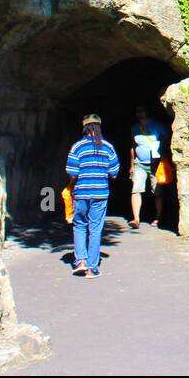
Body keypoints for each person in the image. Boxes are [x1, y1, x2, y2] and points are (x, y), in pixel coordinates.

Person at [64, 113, 119, 277]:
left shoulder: (77, 147)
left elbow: (72, 173)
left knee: (80, 225)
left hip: (81, 192)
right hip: (101, 193)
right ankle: (91, 268)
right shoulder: (108, 147)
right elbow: (114, 173)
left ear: (84, 128)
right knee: (95, 229)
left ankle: (80, 261)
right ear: (99, 127)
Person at [130, 105, 169, 228]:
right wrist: (131, 164)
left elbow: (167, 138)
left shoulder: (157, 125)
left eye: (142, 111)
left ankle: (158, 218)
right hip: (139, 163)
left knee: (157, 192)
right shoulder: (135, 128)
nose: (140, 114)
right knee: (136, 189)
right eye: (138, 111)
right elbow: (132, 146)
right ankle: (136, 219)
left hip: (155, 163)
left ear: (147, 112)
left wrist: (163, 153)